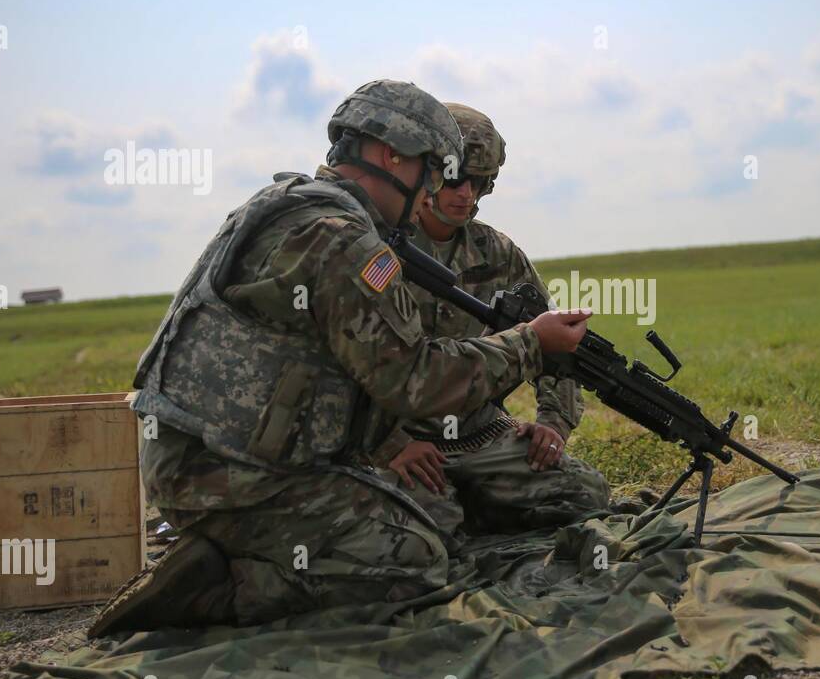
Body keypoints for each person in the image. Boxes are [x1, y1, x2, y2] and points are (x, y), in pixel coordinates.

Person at [89, 80, 591, 636]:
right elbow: (414, 381)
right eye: (431, 174)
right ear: (389, 155)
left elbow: (335, 369)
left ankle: (237, 547)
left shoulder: (288, 206)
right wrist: (530, 344)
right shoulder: (343, 239)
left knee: (437, 523)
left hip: (226, 456)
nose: (434, 193)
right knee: (417, 564)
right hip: (232, 476)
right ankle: (218, 582)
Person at [378, 103, 609, 540]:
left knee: (584, 494)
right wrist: (391, 446)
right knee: (428, 530)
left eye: (480, 182)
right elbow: (345, 361)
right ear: (426, 171)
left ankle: (471, 503)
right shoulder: (378, 249)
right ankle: (461, 510)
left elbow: (556, 348)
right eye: (454, 177)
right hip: (400, 442)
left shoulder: (499, 253)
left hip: (479, 435)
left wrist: (552, 425)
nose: (465, 193)